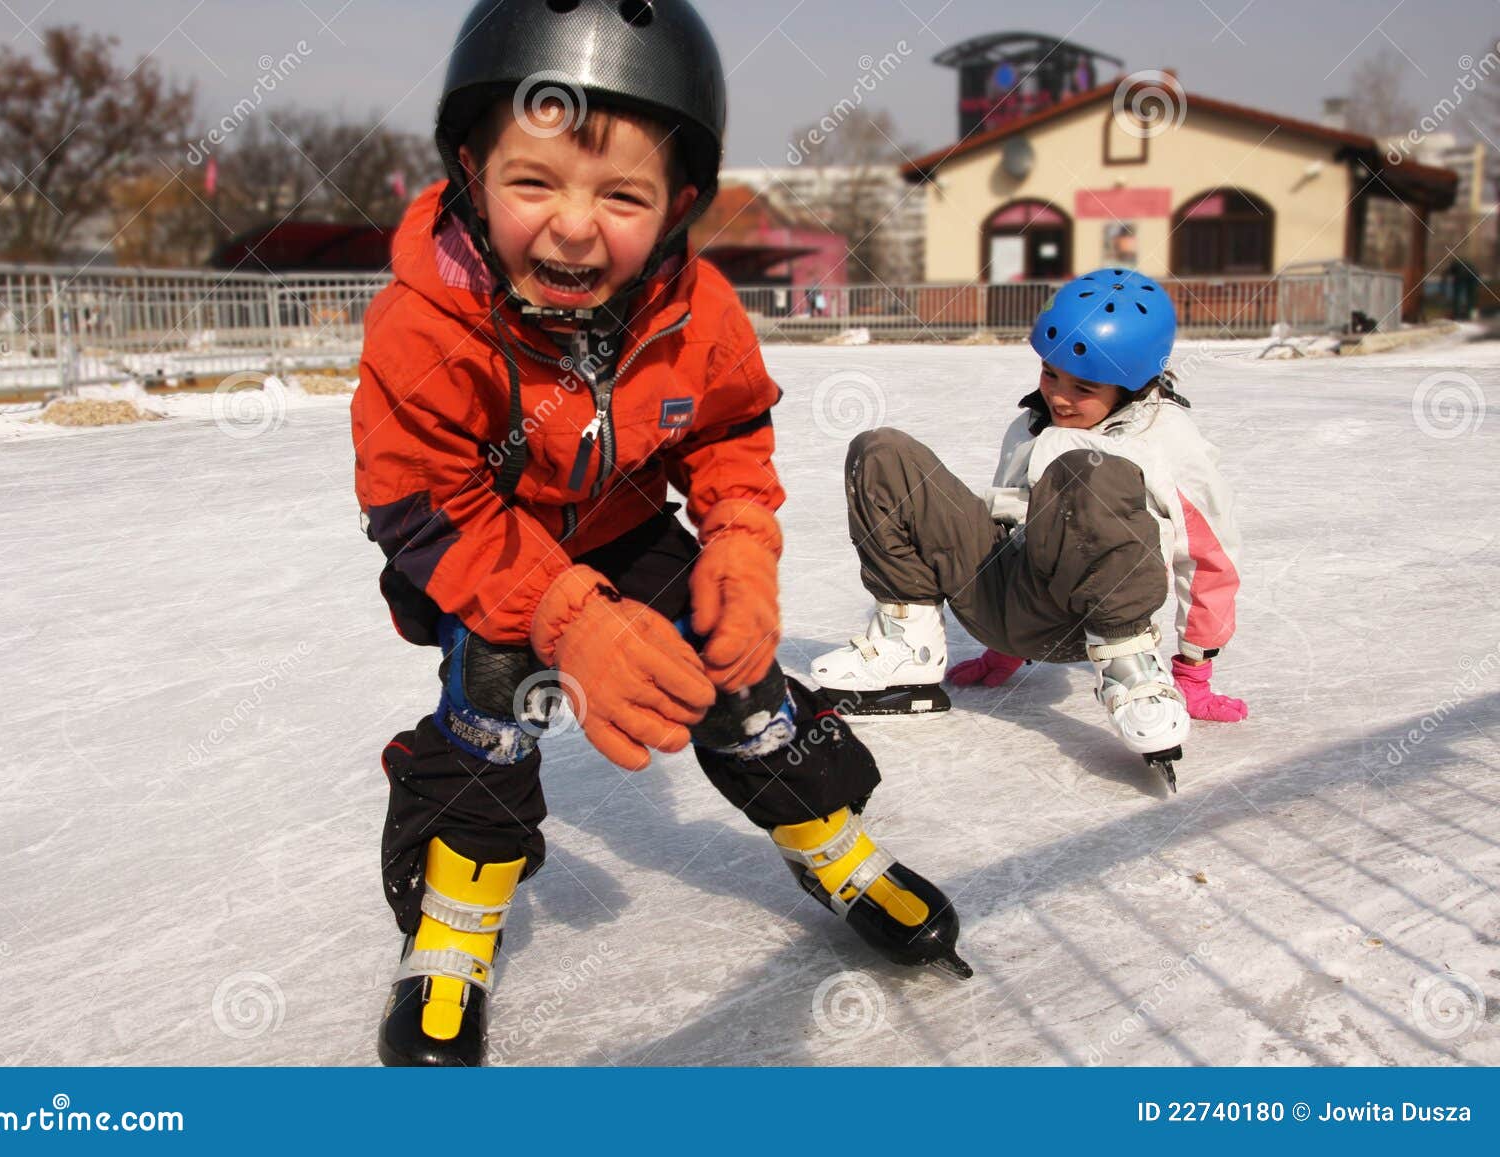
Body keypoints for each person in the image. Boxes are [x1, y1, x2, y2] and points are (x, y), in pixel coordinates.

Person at [351, 0, 969, 1068]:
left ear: (680, 202)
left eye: (623, 195)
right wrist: (559, 612)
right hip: (481, 539)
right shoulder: (423, 322)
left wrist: (737, 536)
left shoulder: (696, 306)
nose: (577, 226)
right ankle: (452, 921)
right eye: (534, 182)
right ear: (469, 169)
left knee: (735, 663)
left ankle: (827, 840)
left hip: (625, 526)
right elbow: (422, 500)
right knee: (497, 689)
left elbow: (726, 427)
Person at [812, 269, 1246, 788]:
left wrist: (1194, 668)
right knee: (882, 451)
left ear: (1134, 385)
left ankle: (1132, 676)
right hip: (1007, 602)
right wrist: (1002, 641)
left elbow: (1209, 559)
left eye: (1083, 386)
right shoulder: (1032, 425)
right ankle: (908, 648)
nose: (1059, 397)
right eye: (1049, 373)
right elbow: (1010, 530)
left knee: (1087, 471)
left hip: (1084, 623)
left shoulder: (1168, 442)